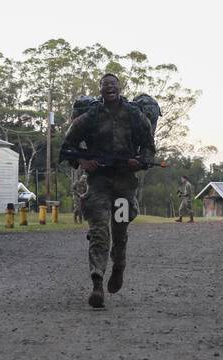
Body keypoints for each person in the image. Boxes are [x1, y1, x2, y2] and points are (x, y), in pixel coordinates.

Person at [61, 73, 156, 309]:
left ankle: (119, 265)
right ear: (101, 89)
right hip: (99, 183)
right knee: (99, 232)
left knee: (119, 232)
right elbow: (68, 146)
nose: (109, 88)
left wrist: (139, 162)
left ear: (119, 88)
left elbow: (148, 147)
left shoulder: (134, 115)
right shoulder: (90, 116)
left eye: (113, 85)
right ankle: (97, 284)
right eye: (105, 85)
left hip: (124, 184)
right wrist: (83, 161)